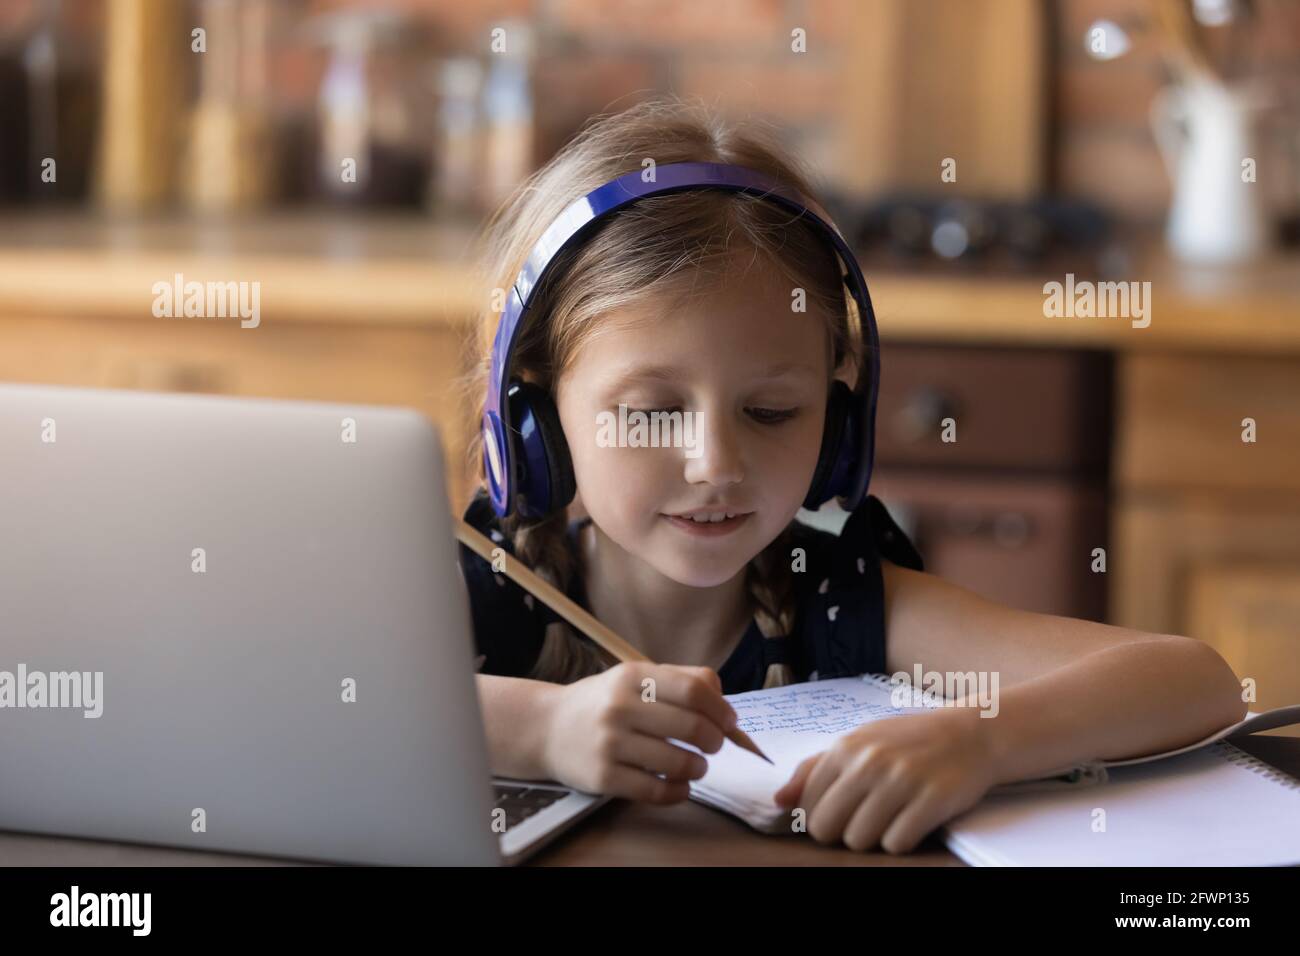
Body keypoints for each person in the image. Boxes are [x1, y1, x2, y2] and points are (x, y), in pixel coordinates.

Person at [455, 96, 1244, 854]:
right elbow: (337, 703)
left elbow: (1193, 680)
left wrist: (982, 739)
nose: (718, 466)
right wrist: (544, 729)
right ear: (536, 410)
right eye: (653, 410)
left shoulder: (839, 594)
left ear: (838, 419)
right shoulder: (486, 581)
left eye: (770, 413)